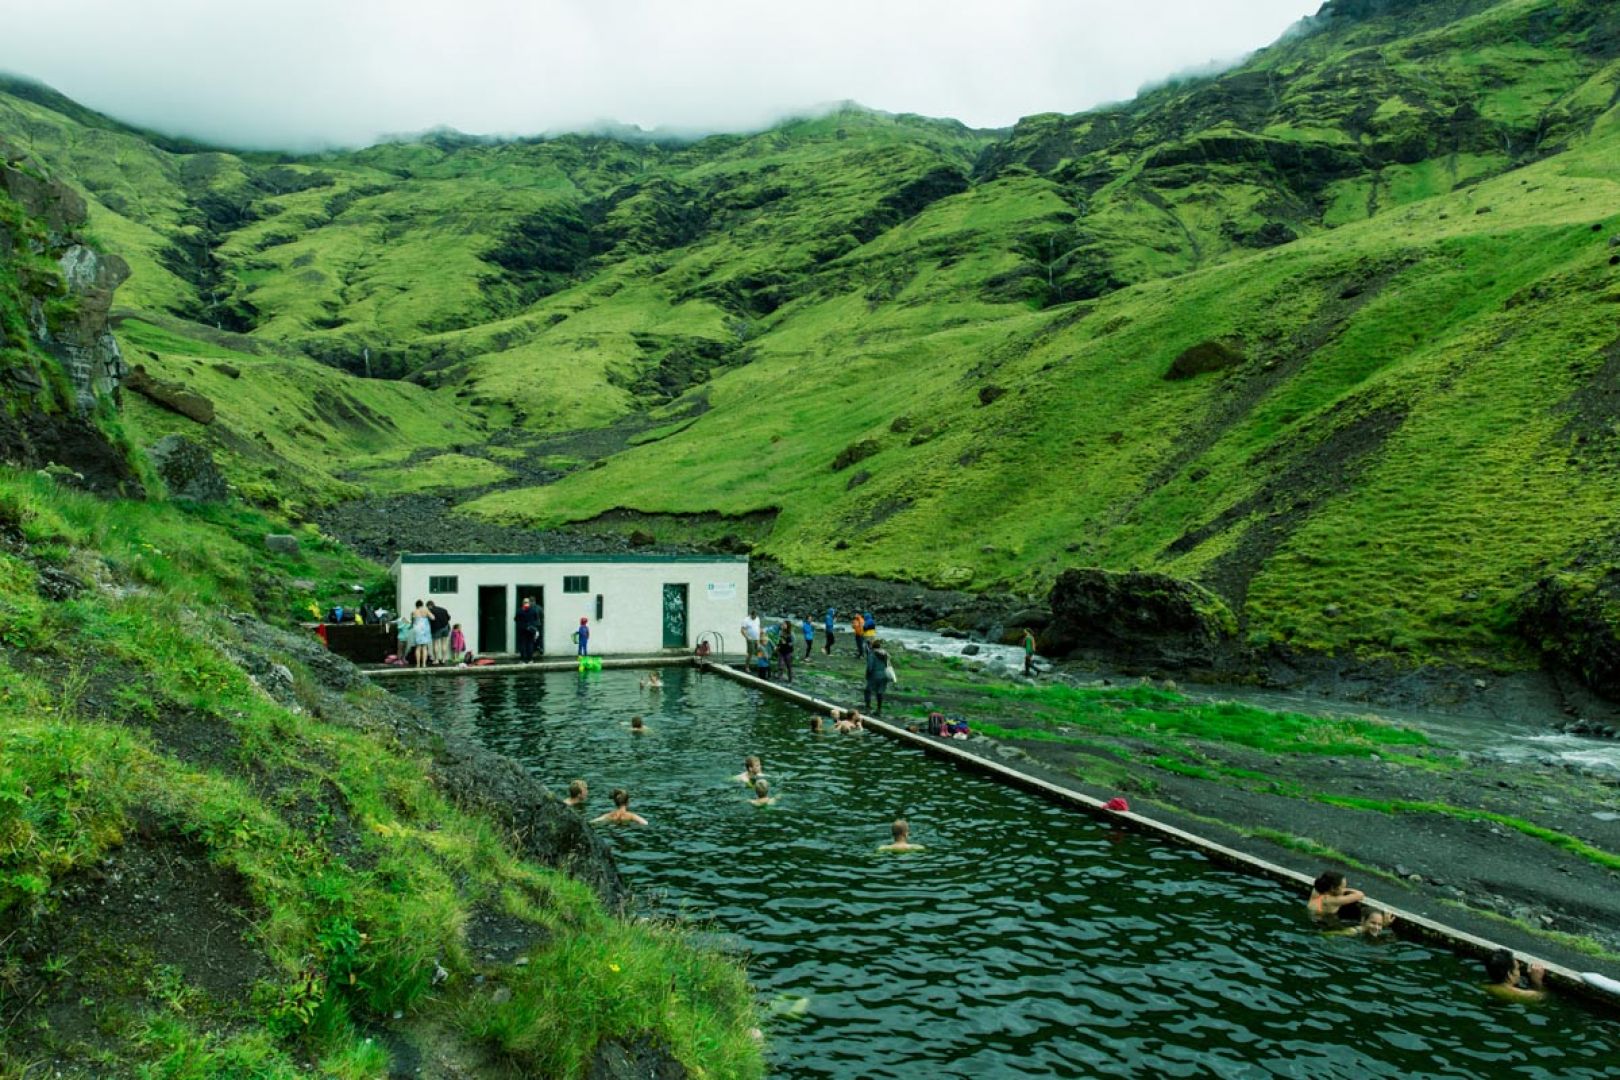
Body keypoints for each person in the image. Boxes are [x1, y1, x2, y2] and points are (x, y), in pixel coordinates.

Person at [864, 639, 892, 716]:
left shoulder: (872, 653)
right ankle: (879, 710)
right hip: (884, 675)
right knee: (880, 692)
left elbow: (870, 667)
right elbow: (888, 664)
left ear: (872, 646)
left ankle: (868, 709)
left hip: (874, 675)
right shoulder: (885, 653)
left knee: (867, 691)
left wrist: (867, 674)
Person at [1330, 909, 1397, 939]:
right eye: (1373, 923)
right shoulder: (1353, 931)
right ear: (1363, 920)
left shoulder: (1371, 931)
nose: (1376, 927)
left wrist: (1384, 926)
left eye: (1379, 924)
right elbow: (1328, 934)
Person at [514, 597, 540, 662]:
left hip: (522, 629)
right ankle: (530, 659)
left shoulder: (519, 610)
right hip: (531, 629)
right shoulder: (533, 610)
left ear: (523, 603)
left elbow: (516, 619)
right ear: (529, 603)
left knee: (523, 644)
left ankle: (522, 660)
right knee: (530, 644)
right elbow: (536, 619)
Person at [410, 600, 433, 669]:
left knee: (418, 647)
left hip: (417, 629)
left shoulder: (413, 612)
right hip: (425, 628)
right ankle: (424, 664)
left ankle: (418, 665)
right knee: (424, 647)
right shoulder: (426, 610)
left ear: (416, 605)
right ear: (422, 605)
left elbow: (412, 622)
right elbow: (433, 618)